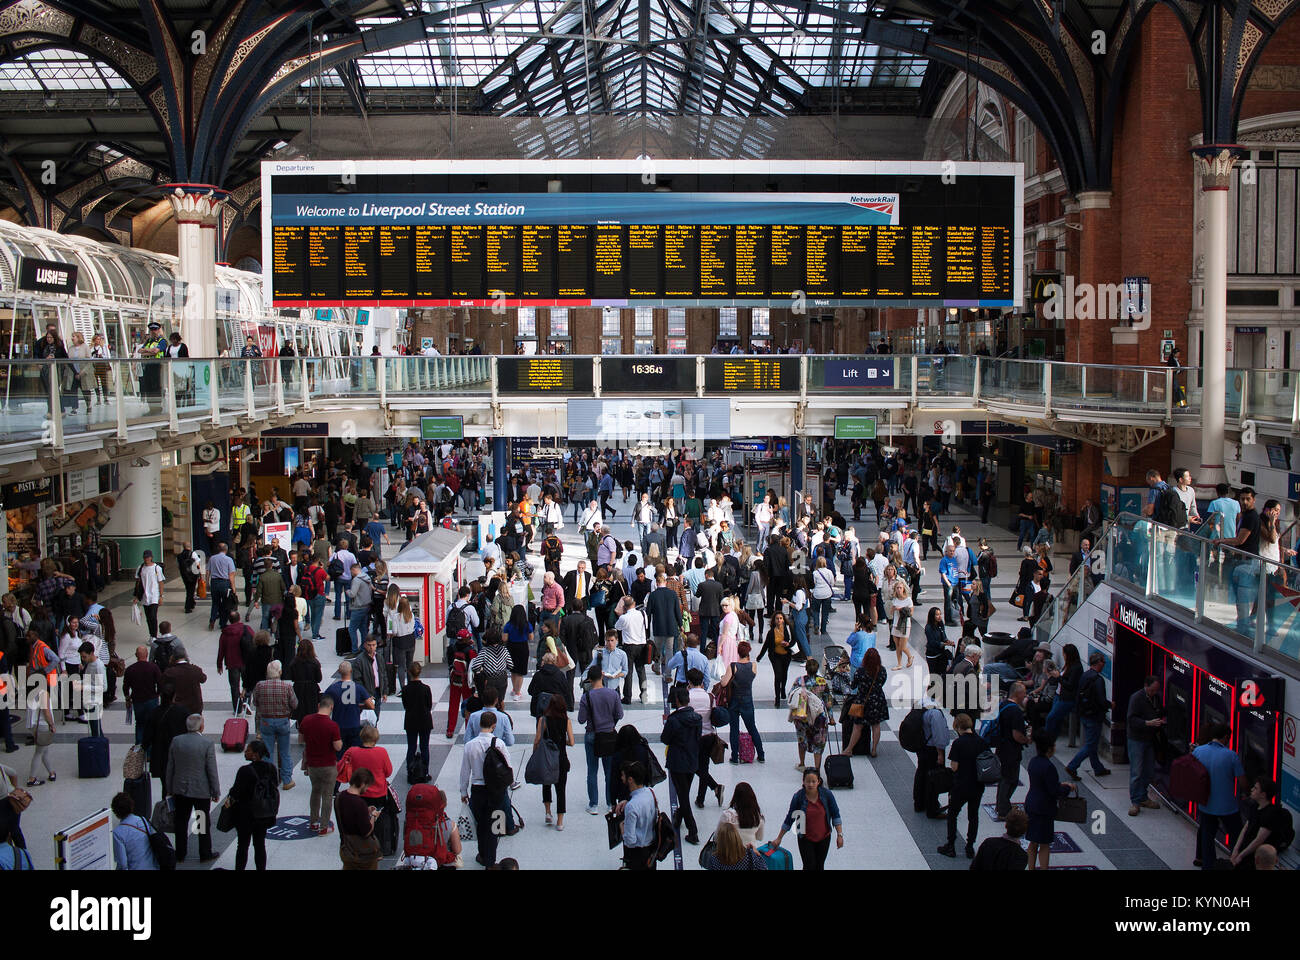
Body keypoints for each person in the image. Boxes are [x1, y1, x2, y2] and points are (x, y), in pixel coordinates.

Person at [459, 711, 512, 867]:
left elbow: (464, 771)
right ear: (493, 726)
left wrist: (463, 791)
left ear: (479, 724)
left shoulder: (470, 745)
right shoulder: (499, 744)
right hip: (496, 790)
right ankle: (490, 859)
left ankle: (482, 854)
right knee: (495, 826)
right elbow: (508, 766)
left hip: (478, 789)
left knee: (481, 824)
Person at [165, 714, 220, 863]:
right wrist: (215, 791)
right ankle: (204, 852)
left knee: (181, 822)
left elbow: (171, 766)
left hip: (180, 789)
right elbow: (211, 770)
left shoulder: (176, 741)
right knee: (202, 821)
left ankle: (180, 853)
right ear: (201, 726)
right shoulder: (207, 743)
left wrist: (169, 787)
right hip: (201, 790)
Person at [1192, 722, 1244, 869]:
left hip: (1206, 804)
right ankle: (1237, 864)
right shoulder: (1231, 755)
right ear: (1226, 737)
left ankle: (1208, 866)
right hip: (1228, 806)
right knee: (1237, 836)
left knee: (1207, 838)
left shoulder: (1198, 751)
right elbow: (1243, 781)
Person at [770, 767, 844, 870]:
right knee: (809, 865)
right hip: (805, 838)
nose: (810, 784)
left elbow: (835, 815)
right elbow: (789, 819)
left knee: (819, 866)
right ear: (803, 782)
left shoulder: (827, 795)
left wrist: (839, 835)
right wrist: (779, 838)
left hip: (824, 837)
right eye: (808, 781)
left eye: (813, 781)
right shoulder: (798, 797)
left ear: (818, 781)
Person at [1024, 733, 1077, 869]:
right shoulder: (1049, 767)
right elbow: (1054, 791)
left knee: (1033, 841)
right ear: (1049, 749)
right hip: (1044, 808)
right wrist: (1067, 788)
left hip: (1031, 803)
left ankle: (1030, 868)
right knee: (1045, 843)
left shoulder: (1033, 761)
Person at [225, 739, 280, 871]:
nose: (245, 752)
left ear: (255, 754)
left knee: (243, 845)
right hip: (263, 813)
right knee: (260, 844)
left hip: (245, 814)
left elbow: (236, 792)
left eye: (248, 750)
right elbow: (275, 786)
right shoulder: (271, 768)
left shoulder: (244, 771)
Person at [938, 713, 987, 859]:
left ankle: (951, 846)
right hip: (977, 785)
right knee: (974, 816)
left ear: (958, 727)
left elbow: (954, 767)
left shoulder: (959, 743)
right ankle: (970, 846)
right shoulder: (981, 741)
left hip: (961, 785)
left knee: (952, 815)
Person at [578, 665, 623, 814]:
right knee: (609, 771)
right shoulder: (613, 694)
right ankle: (610, 803)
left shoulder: (586, 697)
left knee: (592, 770)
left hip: (592, 734)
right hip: (609, 735)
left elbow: (581, 719)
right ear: (602, 676)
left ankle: (593, 804)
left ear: (590, 680)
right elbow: (619, 714)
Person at [661, 685, 702, 844]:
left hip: (678, 762)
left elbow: (665, 739)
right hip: (692, 760)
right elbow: (697, 737)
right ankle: (678, 818)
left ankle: (693, 830)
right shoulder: (697, 718)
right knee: (684, 792)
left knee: (683, 796)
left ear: (677, 700)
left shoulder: (673, 720)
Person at [1064, 652, 1112, 780]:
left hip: (1084, 714)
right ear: (1099, 663)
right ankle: (1072, 766)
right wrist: (1110, 705)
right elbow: (1101, 700)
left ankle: (1098, 768)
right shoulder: (1098, 680)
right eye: (1103, 662)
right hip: (1094, 716)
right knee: (1090, 745)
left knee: (1092, 743)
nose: (1104, 664)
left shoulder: (1085, 675)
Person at [251, 660, 298, 789]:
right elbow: (295, 704)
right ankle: (287, 780)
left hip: (266, 721)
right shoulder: (287, 686)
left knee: (267, 752)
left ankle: (269, 780)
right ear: (280, 672)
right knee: (284, 752)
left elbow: (255, 702)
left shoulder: (260, 685)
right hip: (283, 721)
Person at [1230, 777, 1292, 870]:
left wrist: (1241, 855)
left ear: (1263, 794)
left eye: (1255, 788)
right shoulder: (1255, 806)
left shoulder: (1271, 814)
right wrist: (1236, 849)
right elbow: (1245, 828)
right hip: (1245, 849)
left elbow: (1259, 840)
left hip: (1255, 856)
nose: (1252, 789)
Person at [1125, 674, 1166, 816]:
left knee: (1148, 771)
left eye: (1156, 690)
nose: (1154, 693)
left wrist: (1161, 720)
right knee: (1136, 772)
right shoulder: (1136, 698)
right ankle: (1135, 802)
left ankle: (1143, 797)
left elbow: (1160, 711)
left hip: (1150, 739)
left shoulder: (1156, 698)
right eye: (1152, 690)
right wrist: (1148, 723)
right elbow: (1131, 720)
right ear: (1146, 686)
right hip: (1137, 739)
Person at [534, 693, 574, 830]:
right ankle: (560, 821)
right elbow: (572, 742)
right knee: (561, 789)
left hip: (547, 756)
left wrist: (535, 753)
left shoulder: (543, 720)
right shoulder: (566, 720)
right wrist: (563, 742)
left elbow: (538, 739)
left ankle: (548, 812)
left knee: (546, 784)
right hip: (561, 757)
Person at [721, 641, 765, 764]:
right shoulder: (753, 666)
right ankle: (761, 754)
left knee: (734, 729)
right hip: (747, 700)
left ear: (738, 652)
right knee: (752, 728)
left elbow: (724, 683)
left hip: (734, 701)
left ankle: (734, 756)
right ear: (748, 652)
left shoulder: (733, 666)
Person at [841, 647, 888, 757]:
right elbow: (882, 683)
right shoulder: (882, 670)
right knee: (876, 725)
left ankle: (849, 749)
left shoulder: (860, 671)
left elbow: (853, 685)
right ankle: (874, 749)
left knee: (857, 726)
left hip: (861, 701)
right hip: (878, 700)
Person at [914, 693, 953, 817]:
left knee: (921, 773)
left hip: (921, 745)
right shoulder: (935, 712)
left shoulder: (921, 703)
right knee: (933, 778)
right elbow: (939, 735)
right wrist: (940, 754)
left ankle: (919, 802)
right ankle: (932, 808)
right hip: (932, 749)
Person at [336, 767, 383, 870]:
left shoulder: (340, 796)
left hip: (346, 849)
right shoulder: (359, 803)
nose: (366, 790)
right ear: (362, 784)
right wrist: (373, 816)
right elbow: (367, 831)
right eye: (367, 786)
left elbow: (348, 813)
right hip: (362, 853)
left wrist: (366, 811)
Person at [324, 660, 375, 751]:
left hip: (338, 726)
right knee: (354, 753)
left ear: (339, 672)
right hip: (354, 724)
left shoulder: (332, 689)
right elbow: (371, 706)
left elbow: (324, 705)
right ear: (351, 671)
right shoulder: (358, 687)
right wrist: (359, 706)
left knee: (339, 753)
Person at [616, 760, 657, 871]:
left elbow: (630, 840)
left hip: (637, 855)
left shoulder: (632, 807)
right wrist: (627, 802)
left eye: (623, 775)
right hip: (651, 850)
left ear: (630, 780)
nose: (621, 778)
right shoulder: (650, 792)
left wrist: (622, 827)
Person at [401, 660, 434, 778]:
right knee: (424, 747)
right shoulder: (426, 688)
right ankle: (425, 772)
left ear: (409, 672)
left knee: (411, 746)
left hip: (411, 720)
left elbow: (405, 705)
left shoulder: (405, 689)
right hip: (425, 720)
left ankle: (410, 771)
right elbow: (429, 705)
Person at [756, 610, 794, 708]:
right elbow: (766, 645)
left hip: (786, 655)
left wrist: (788, 644)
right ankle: (777, 698)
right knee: (778, 675)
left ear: (783, 619)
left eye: (781, 618)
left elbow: (794, 639)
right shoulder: (771, 632)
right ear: (774, 620)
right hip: (775, 656)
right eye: (777, 618)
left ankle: (783, 689)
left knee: (784, 674)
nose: (779, 620)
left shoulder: (788, 629)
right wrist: (760, 656)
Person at [703, 820, 768, 871]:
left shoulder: (714, 859)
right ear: (737, 838)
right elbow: (764, 868)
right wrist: (757, 853)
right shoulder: (749, 856)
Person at [719, 781, 765, 848]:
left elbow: (717, 836)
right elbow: (759, 837)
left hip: (730, 855)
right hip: (750, 854)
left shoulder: (728, 815)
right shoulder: (758, 817)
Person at [134, 550, 166, 639]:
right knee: (148, 618)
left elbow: (161, 582)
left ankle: (154, 636)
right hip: (145, 597)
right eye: (145, 557)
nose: (146, 559)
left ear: (151, 557)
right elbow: (138, 583)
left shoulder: (157, 568)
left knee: (153, 616)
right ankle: (151, 635)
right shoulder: (140, 568)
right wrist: (136, 596)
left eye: (148, 557)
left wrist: (161, 596)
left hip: (154, 596)